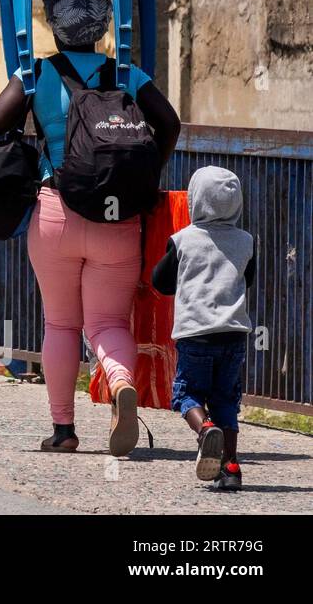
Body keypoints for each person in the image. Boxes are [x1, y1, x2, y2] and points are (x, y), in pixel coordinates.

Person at [0, 0, 180, 455]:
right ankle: (119, 380)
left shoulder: (37, 73)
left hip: (56, 213)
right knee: (109, 321)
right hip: (118, 217)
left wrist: (25, 82)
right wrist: (148, 176)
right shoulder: (127, 74)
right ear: (105, 25)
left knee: (61, 324)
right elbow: (169, 123)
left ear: (54, 24)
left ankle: (63, 430)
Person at [152, 166, 253, 491]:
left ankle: (205, 429)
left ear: (195, 200)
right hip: (234, 335)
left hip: (196, 334)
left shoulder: (183, 240)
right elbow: (247, 281)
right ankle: (232, 467)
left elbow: (161, 282)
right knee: (226, 399)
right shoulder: (245, 241)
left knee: (186, 393)